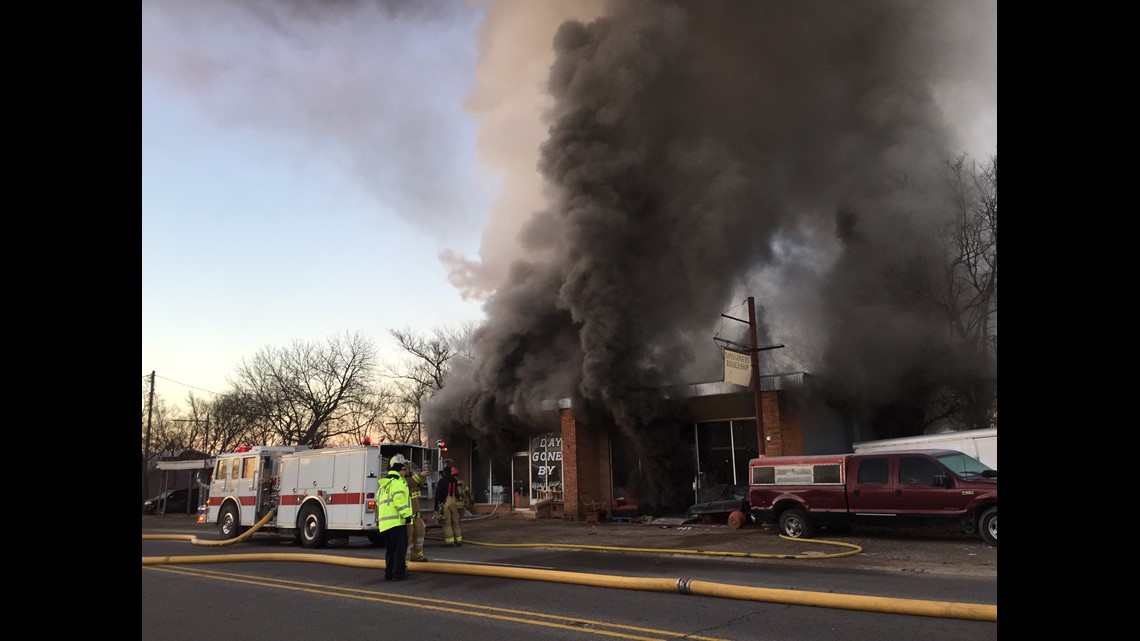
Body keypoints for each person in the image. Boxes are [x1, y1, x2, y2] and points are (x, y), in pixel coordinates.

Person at [377, 455, 414, 580]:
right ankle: (398, 574)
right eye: (403, 469)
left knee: (390, 550)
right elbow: (399, 502)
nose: (405, 472)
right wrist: (407, 516)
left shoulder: (384, 485)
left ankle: (389, 573)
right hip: (397, 522)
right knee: (399, 550)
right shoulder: (398, 483)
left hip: (385, 524)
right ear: (399, 470)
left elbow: (378, 501)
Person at [401, 461, 429, 562]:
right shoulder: (401, 481)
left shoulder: (411, 478)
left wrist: (419, 476)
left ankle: (417, 556)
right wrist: (419, 475)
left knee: (420, 535)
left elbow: (419, 484)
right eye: (404, 468)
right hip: (408, 517)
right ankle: (404, 565)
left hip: (416, 515)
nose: (406, 469)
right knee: (408, 540)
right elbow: (409, 484)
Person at [434, 466, 465, 547]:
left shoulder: (442, 481)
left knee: (446, 522)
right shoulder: (455, 481)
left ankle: (450, 542)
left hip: (446, 501)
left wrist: (436, 505)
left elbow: (438, 494)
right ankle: (458, 541)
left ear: (444, 472)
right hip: (453, 500)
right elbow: (459, 492)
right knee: (455, 521)